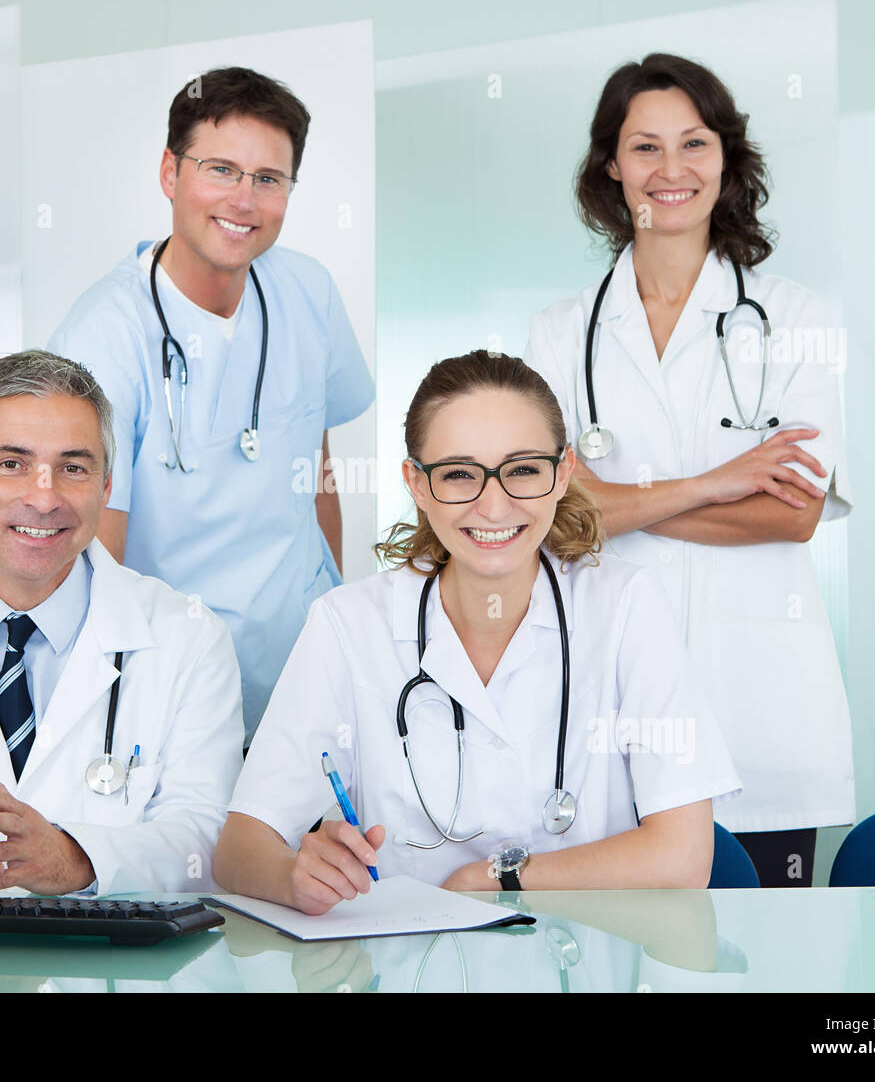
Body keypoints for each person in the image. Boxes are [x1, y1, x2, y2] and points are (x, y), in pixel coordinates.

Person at [213, 351, 742, 913]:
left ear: (562, 475)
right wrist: (294, 874)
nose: (493, 505)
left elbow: (683, 856)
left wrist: (490, 879)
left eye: (522, 470)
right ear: (416, 484)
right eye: (459, 474)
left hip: (587, 964)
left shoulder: (625, 605)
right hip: (411, 968)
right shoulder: (348, 624)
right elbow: (238, 849)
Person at [524, 53, 854, 887]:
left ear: (726, 160)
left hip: (764, 717)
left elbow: (793, 514)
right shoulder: (560, 335)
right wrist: (719, 479)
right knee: (617, 964)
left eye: (694, 144)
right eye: (644, 148)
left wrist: (607, 501)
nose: (671, 171)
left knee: (773, 966)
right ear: (611, 165)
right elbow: (549, 516)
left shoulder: (793, 319)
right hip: (612, 713)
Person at [48, 66, 375, 746]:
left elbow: (316, 480)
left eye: (268, 178)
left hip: (302, 681)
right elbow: (92, 555)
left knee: (321, 851)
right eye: (221, 168)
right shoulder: (104, 336)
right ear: (170, 172)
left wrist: (332, 630)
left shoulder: (306, 291)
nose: (245, 199)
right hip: (174, 696)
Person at [0, 349, 244, 897]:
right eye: (11, 463)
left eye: (74, 468)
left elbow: (209, 842)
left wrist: (77, 859)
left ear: (106, 487)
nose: (44, 496)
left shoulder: (190, 637)